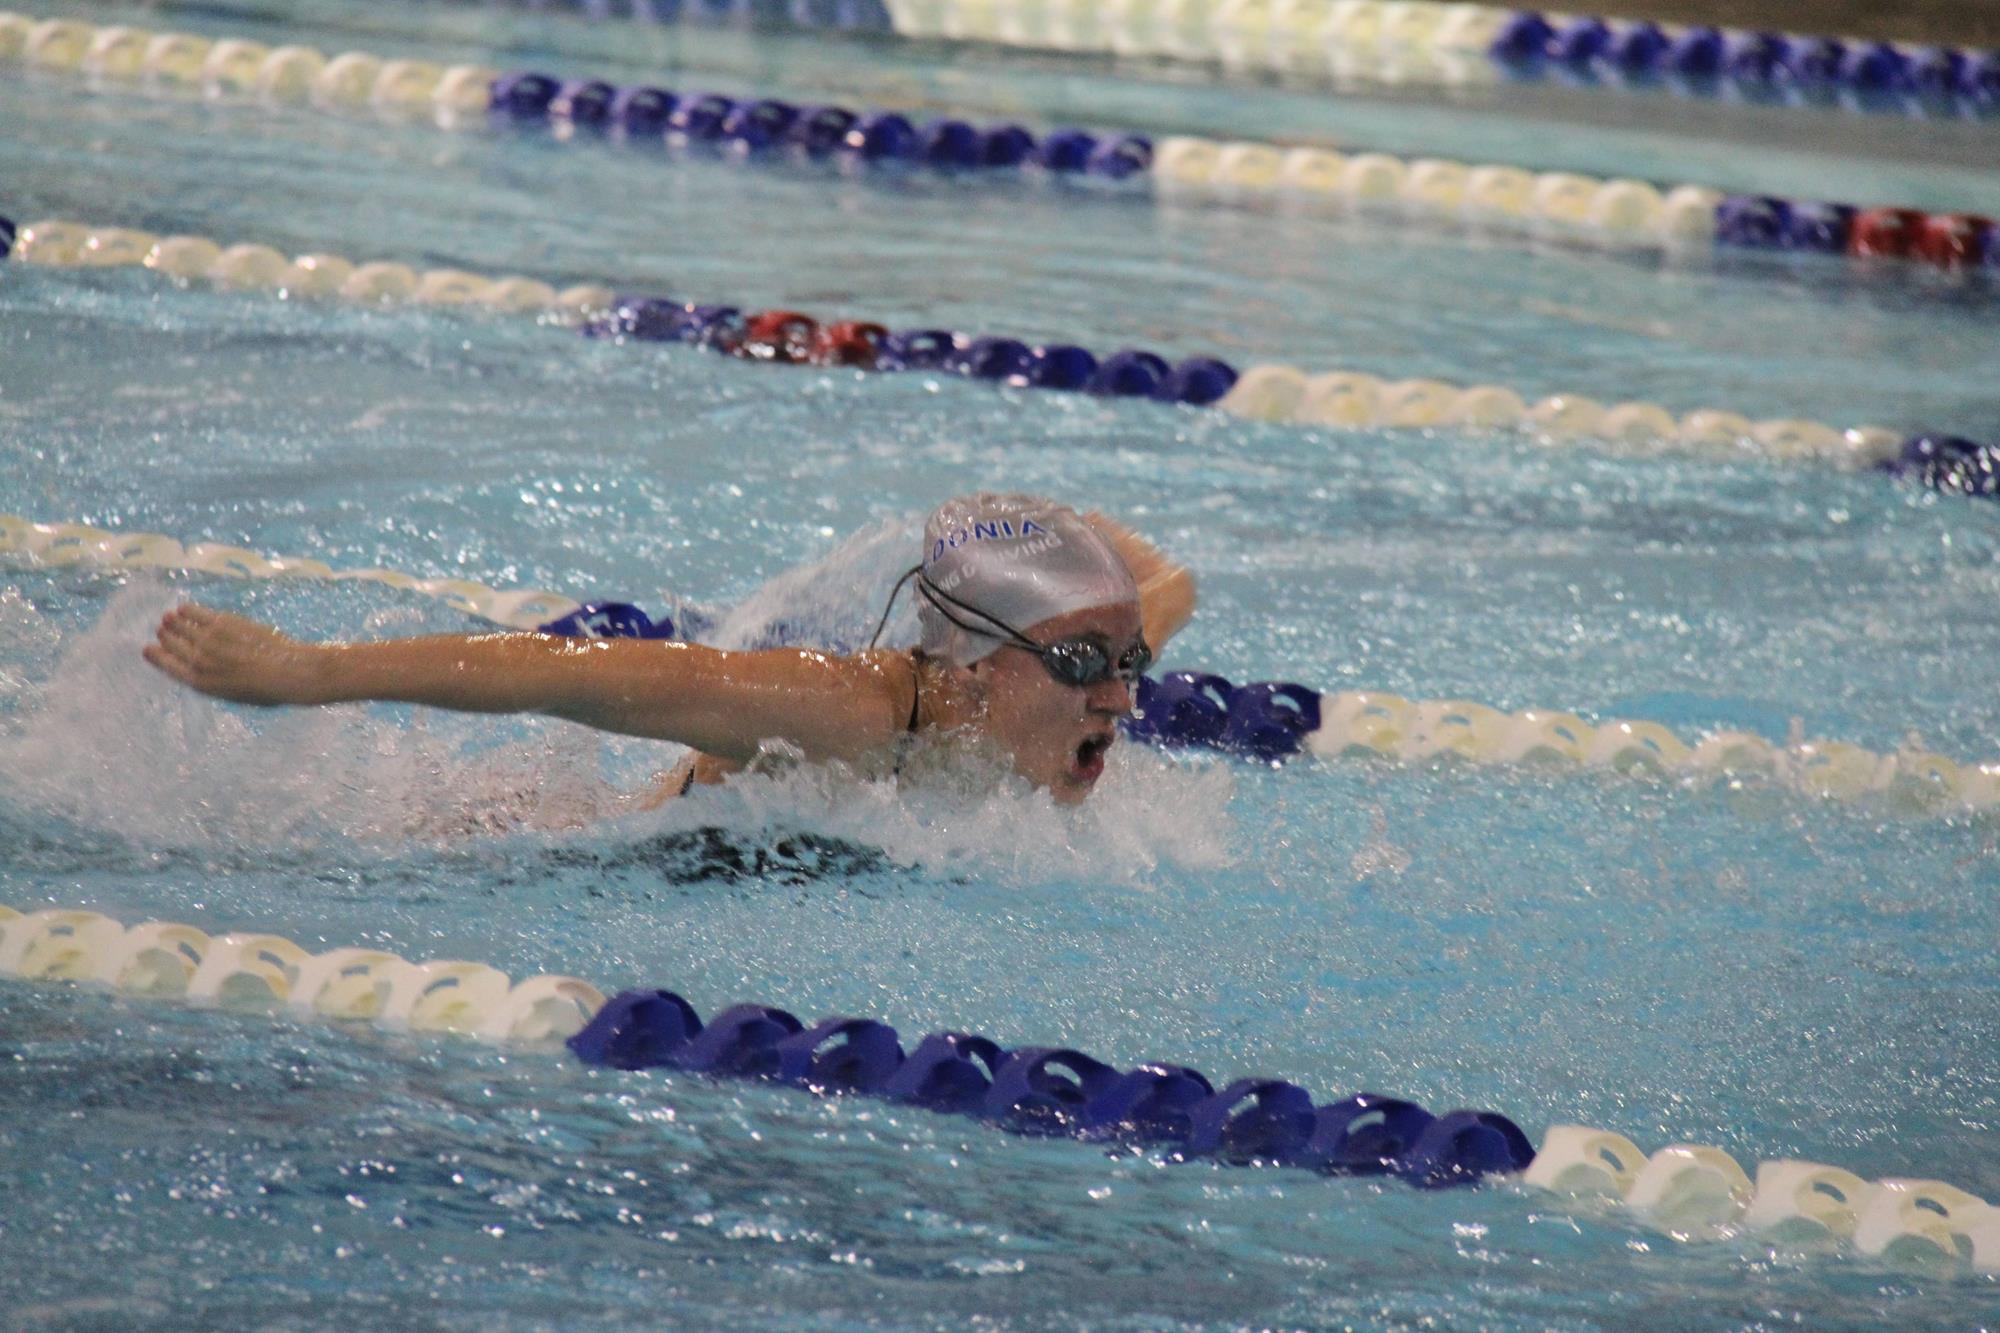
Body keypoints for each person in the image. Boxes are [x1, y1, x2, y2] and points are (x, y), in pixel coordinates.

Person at [142, 494, 1196, 806]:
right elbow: (570, 672)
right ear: (969, 661)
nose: (1119, 699)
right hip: (604, 857)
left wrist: (1045, 536)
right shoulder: (847, 714)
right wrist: (307, 672)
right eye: (1080, 665)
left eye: (1130, 663)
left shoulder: (1040, 686)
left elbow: (1166, 590)